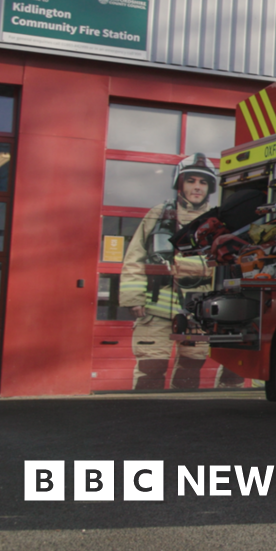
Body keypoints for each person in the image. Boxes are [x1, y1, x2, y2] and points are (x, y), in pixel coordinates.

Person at [119, 154, 242, 390]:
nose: (197, 187)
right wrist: (134, 299)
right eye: (191, 180)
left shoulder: (219, 220)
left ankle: (182, 417)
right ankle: (143, 416)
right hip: (156, 309)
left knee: (190, 367)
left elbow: (227, 261)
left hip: (198, 311)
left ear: (210, 188)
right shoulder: (159, 215)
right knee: (151, 367)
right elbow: (134, 258)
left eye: (203, 182)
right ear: (180, 184)